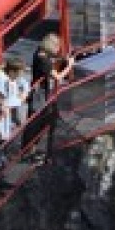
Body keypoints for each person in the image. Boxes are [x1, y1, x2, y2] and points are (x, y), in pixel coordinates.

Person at [28, 32, 75, 163]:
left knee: (35, 121)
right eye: (57, 47)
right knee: (38, 121)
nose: (58, 49)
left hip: (37, 91)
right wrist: (70, 65)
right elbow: (58, 77)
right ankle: (32, 151)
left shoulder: (39, 53)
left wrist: (61, 60)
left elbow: (51, 63)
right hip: (40, 94)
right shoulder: (44, 61)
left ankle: (32, 150)